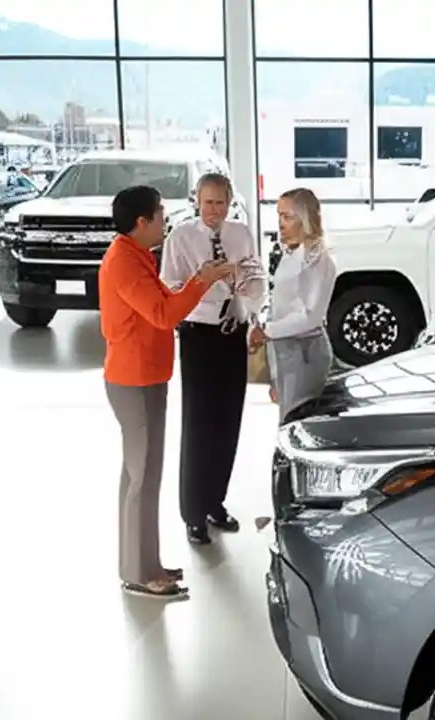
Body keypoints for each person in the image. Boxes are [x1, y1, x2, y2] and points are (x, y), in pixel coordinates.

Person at [100, 185, 233, 598]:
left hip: (145, 377)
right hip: (134, 381)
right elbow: (163, 314)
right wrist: (202, 280)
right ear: (142, 222)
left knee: (138, 475)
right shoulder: (124, 263)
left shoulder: (136, 255)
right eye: (159, 214)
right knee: (143, 478)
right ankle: (141, 574)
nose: (164, 220)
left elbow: (161, 303)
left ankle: (142, 563)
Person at [159, 173, 265, 545]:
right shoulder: (180, 237)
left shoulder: (240, 233)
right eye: (208, 203)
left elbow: (255, 277)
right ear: (196, 201)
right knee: (199, 424)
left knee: (227, 421)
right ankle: (193, 513)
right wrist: (204, 281)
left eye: (220, 202)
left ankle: (215, 501)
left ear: (230, 202)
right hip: (198, 334)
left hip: (232, 329)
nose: (214, 210)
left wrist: (246, 289)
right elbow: (169, 286)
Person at [249, 188, 337, 422]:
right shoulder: (292, 253)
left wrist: (267, 332)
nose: (281, 223)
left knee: (296, 424)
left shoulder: (318, 260)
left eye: (287, 217)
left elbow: (311, 316)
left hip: (305, 352)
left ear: (304, 218)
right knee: (288, 423)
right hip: (287, 351)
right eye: (279, 216)